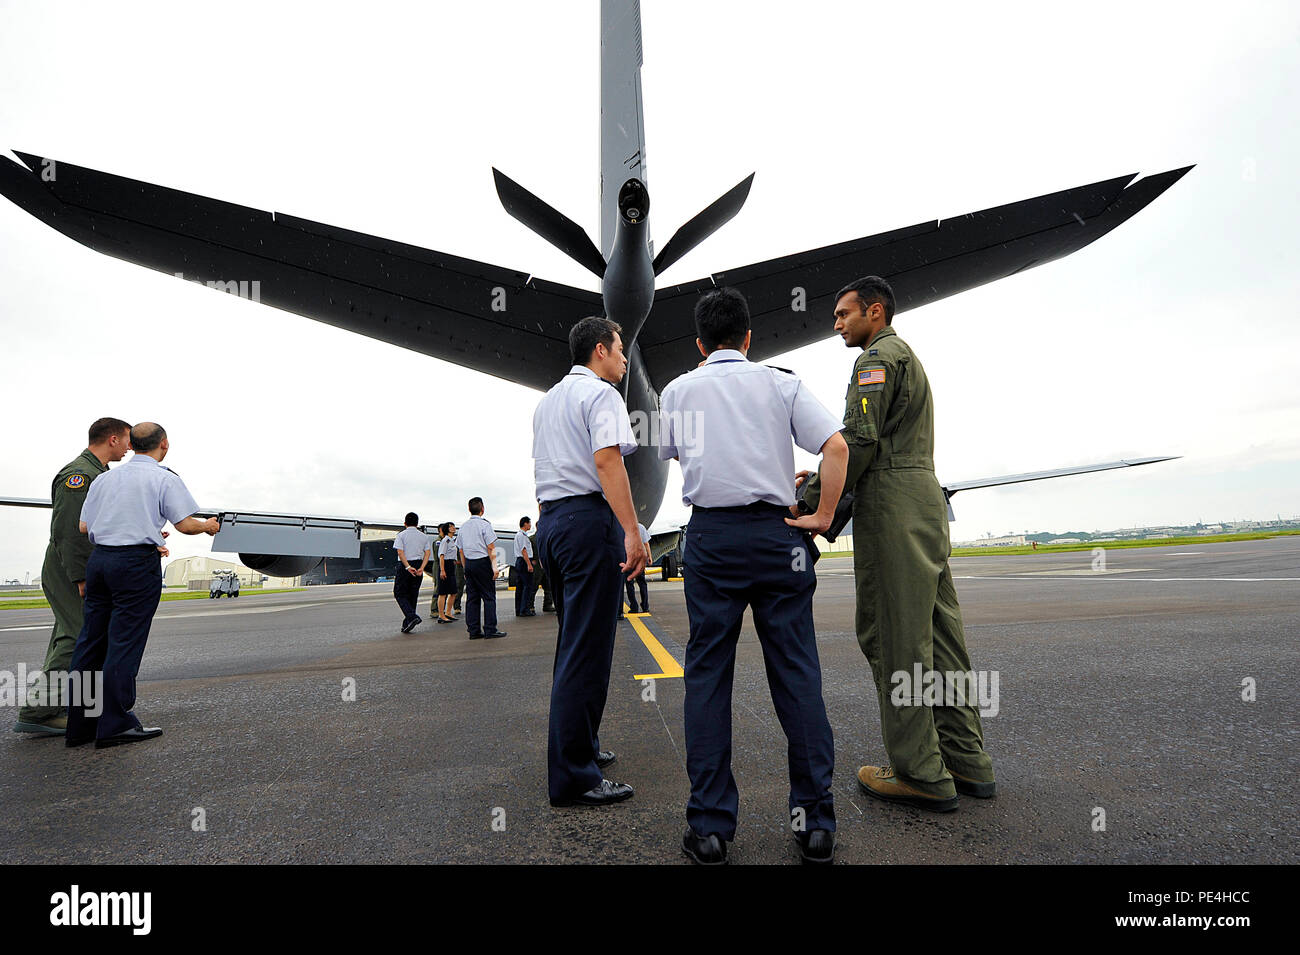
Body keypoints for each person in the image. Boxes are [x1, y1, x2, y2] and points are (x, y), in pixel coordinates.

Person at [658, 287, 848, 865]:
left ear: (699, 344)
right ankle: (815, 824)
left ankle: (711, 829)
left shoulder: (678, 390)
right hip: (778, 537)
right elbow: (836, 447)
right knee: (796, 673)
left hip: (711, 537)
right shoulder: (781, 381)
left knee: (708, 676)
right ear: (748, 338)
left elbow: (670, 452)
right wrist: (819, 516)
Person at [799, 275, 996, 812]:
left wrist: (815, 505)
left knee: (894, 640)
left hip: (892, 508)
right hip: (925, 503)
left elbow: (858, 441)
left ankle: (918, 771)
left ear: (875, 311)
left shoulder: (875, 361)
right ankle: (966, 760)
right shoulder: (907, 355)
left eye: (844, 314)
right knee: (943, 640)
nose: (837, 324)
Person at [533, 316, 646, 808]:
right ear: (601, 350)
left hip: (553, 524)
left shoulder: (548, 401)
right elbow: (607, 462)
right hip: (585, 521)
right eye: (621, 350)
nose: (625, 360)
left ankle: (582, 749)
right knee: (588, 649)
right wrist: (631, 530)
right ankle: (574, 777)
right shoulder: (602, 395)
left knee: (573, 645)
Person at [65, 422, 219, 748]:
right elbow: (184, 524)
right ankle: (115, 725)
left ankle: (80, 727)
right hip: (134, 565)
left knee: (90, 642)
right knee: (123, 643)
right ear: (163, 444)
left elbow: (83, 526)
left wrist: (134, 526)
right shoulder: (163, 478)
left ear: (132, 445)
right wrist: (206, 525)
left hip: (100, 562)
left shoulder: (104, 478)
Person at [14, 418, 132, 736]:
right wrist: (80, 577)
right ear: (112, 439)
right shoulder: (79, 475)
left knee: (72, 634)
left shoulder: (99, 474)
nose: (130, 446)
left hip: (84, 566)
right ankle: (38, 712)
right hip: (71, 567)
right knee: (78, 635)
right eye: (127, 440)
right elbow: (68, 532)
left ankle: (59, 706)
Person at [458, 498, 506, 639]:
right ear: (482, 509)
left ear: (469, 509)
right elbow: (490, 547)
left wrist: (466, 568)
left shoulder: (463, 527)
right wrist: (495, 567)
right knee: (489, 597)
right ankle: (490, 629)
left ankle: (474, 631)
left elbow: (460, 550)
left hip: (470, 564)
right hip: (483, 563)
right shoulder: (485, 525)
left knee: (472, 598)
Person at [392, 513, 430, 633]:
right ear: (417, 523)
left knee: (399, 593)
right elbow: (427, 553)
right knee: (413, 594)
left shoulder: (401, 535)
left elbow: (400, 552)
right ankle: (407, 624)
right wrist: (422, 568)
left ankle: (412, 617)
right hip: (419, 563)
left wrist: (407, 567)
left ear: (405, 523)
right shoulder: (424, 536)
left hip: (405, 565)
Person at [622, 522, 652, 614]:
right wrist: (649, 557)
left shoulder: (624, 526)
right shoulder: (641, 527)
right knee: (642, 583)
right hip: (640, 558)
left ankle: (634, 607)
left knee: (629, 583)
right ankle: (645, 606)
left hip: (629, 558)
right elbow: (646, 543)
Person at [432, 522, 459, 624]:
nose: (453, 528)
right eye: (451, 526)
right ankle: (441, 615)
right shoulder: (445, 540)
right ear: (447, 529)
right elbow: (441, 556)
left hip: (451, 565)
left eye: (453, 526)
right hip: (445, 565)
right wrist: (442, 570)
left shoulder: (453, 540)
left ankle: (448, 612)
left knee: (453, 592)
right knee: (443, 593)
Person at [513, 516, 536, 617]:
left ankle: (519, 609)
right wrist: (529, 564)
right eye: (529, 523)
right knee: (527, 586)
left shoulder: (519, 535)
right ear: (525, 523)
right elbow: (524, 550)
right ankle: (525, 609)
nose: (530, 525)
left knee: (520, 587)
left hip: (520, 561)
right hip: (524, 561)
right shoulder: (522, 535)